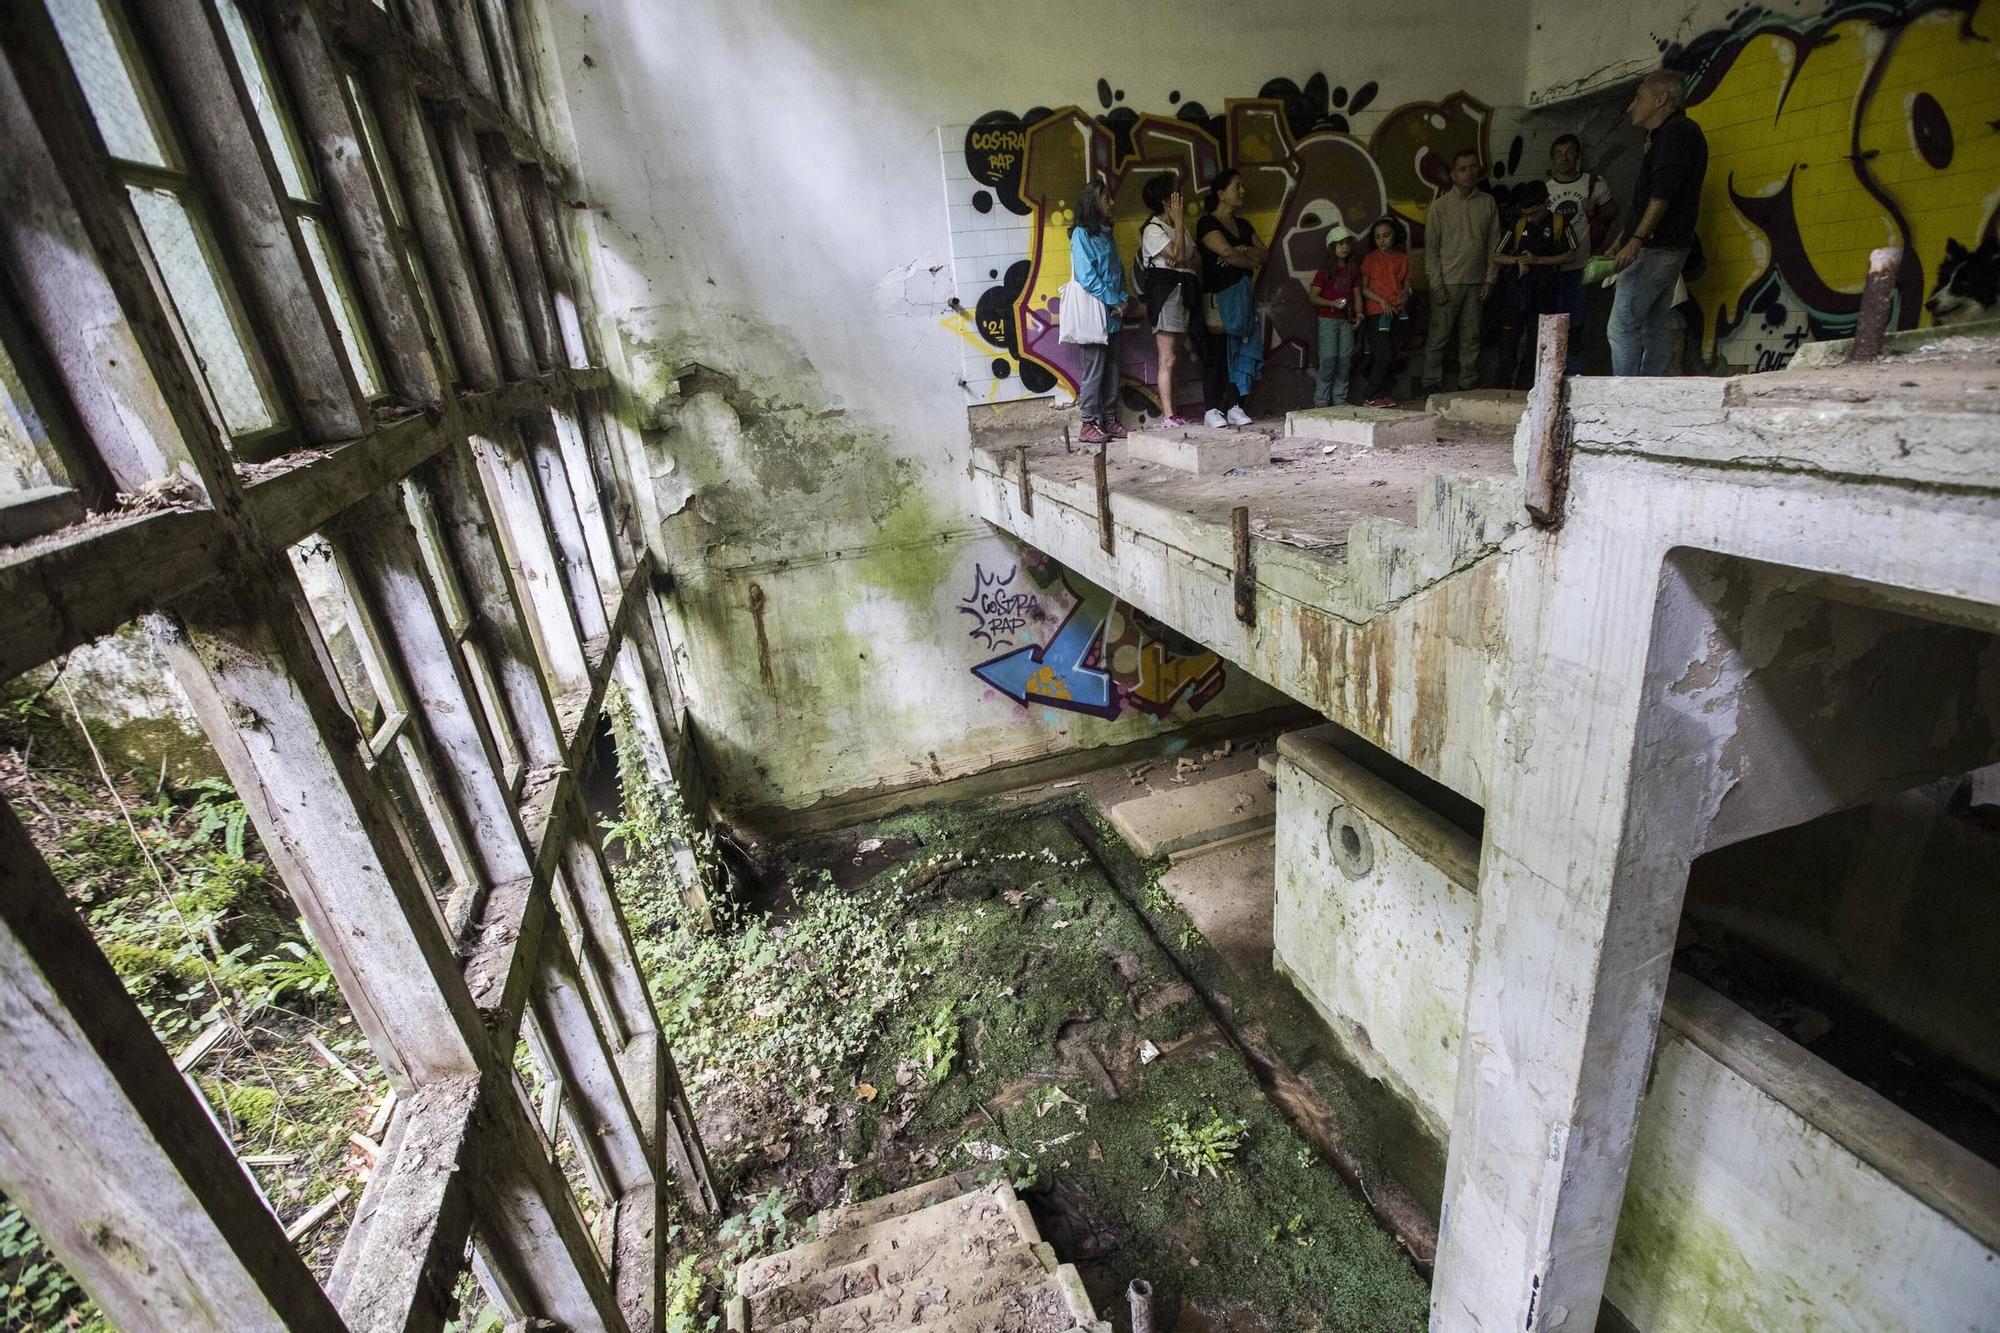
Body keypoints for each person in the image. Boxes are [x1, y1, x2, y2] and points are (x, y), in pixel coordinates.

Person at [1609, 69, 1708, 375]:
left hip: (1655, 245)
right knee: (1656, 325)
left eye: (1639, 97)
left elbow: (1662, 194)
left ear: (1661, 99)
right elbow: (1648, 196)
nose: (1631, 106)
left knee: (1622, 326)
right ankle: (1649, 393)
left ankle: (1622, 399)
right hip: (1666, 245)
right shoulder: (1671, 134)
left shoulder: (1676, 133)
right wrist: (1623, 238)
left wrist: (1637, 240)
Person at [1421, 149, 1500, 395]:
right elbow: (1431, 250)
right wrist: (1436, 284)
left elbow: (1494, 245)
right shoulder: (1440, 207)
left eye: (1473, 167)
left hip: (1477, 282)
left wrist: (1490, 279)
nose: (1469, 173)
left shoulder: (1488, 202)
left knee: (1471, 337)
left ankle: (1468, 381)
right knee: (1438, 336)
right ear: (1453, 175)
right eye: (1463, 169)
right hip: (1448, 282)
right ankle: (1430, 382)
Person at [1195, 168, 1267, 427]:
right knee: (1216, 355)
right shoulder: (1207, 223)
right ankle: (1212, 409)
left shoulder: (1244, 225)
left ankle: (1236, 406)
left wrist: (1243, 252)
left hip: (1243, 301)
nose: (1242, 191)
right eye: (1237, 186)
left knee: (1241, 352)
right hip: (1219, 300)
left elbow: (1264, 253)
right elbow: (1225, 251)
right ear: (1221, 193)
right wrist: (1247, 262)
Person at [1491, 179, 1578, 388]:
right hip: (1519, 290)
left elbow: (1571, 255)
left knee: (1536, 343)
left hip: (1546, 289)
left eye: (1535, 213)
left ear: (1546, 203)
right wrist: (1519, 261)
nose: (1530, 218)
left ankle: (1525, 388)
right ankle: (1501, 386)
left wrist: (1539, 261)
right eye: (1526, 213)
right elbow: (1496, 255)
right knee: (1508, 339)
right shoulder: (1519, 225)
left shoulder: (1559, 222)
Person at [1543, 134, 1617, 373]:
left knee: (1577, 324)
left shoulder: (1593, 184)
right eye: (1558, 154)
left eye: (1569, 152)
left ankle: (1573, 374)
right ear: (1552, 159)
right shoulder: (1546, 190)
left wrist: (1595, 211)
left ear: (1578, 156)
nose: (1564, 158)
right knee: (1551, 323)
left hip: (1582, 266)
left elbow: (1612, 213)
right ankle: (1552, 372)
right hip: (1552, 268)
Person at [1067, 180, 1131, 444]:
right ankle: (1088, 423)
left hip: (1114, 314)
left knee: (1113, 367)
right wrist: (1114, 299)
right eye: (1107, 198)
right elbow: (1086, 276)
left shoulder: (1106, 231)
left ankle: (1108, 418)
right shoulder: (1081, 235)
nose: (1111, 203)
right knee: (1094, 369)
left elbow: (1117, 269)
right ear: (1094, 202)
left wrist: (1123, 298)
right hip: (1097, 314)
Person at [1137, 175, 1202, 427]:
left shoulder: (1178, 228)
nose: (1181, 199)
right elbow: (1177, 253)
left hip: (1184, 291)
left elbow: (1193, 258)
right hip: (1166, 294)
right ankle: (1168, 415)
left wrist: (1181, 253)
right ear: (1167, 201)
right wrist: (1179, 245)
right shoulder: (1153, 229)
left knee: (1177, 356)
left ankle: (1173, 412)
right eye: (1176, 194)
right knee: (1168, 357)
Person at [1357, 216, 1411, 407]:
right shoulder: (1370, 259)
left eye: (1386, 235)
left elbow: (1406, 284)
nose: (1382, 240)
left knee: (1394, 354)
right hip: (1377, 313)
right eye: (1378, 237)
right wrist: (1382, 301)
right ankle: (1370, 395)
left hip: (1398, 311)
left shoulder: (1402, 258)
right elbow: (1363, 288)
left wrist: (1407, 293)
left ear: (1395, 236)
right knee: (1383, 355)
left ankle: (1383, 394)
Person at [1308, 224, 1361, 406]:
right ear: (1332, 247)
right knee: (1328, 360)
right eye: (1339, 244)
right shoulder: (1324, 271)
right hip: (1328, 320)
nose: (1344, 247)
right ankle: (1321, 402)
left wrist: (1360, 314)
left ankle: (1339, 400)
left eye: (1347, 243)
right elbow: (1313, 297)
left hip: (1346, 321)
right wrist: (1332, 303)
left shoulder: (1353, 270)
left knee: (1345, 361)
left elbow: (1356, 293)